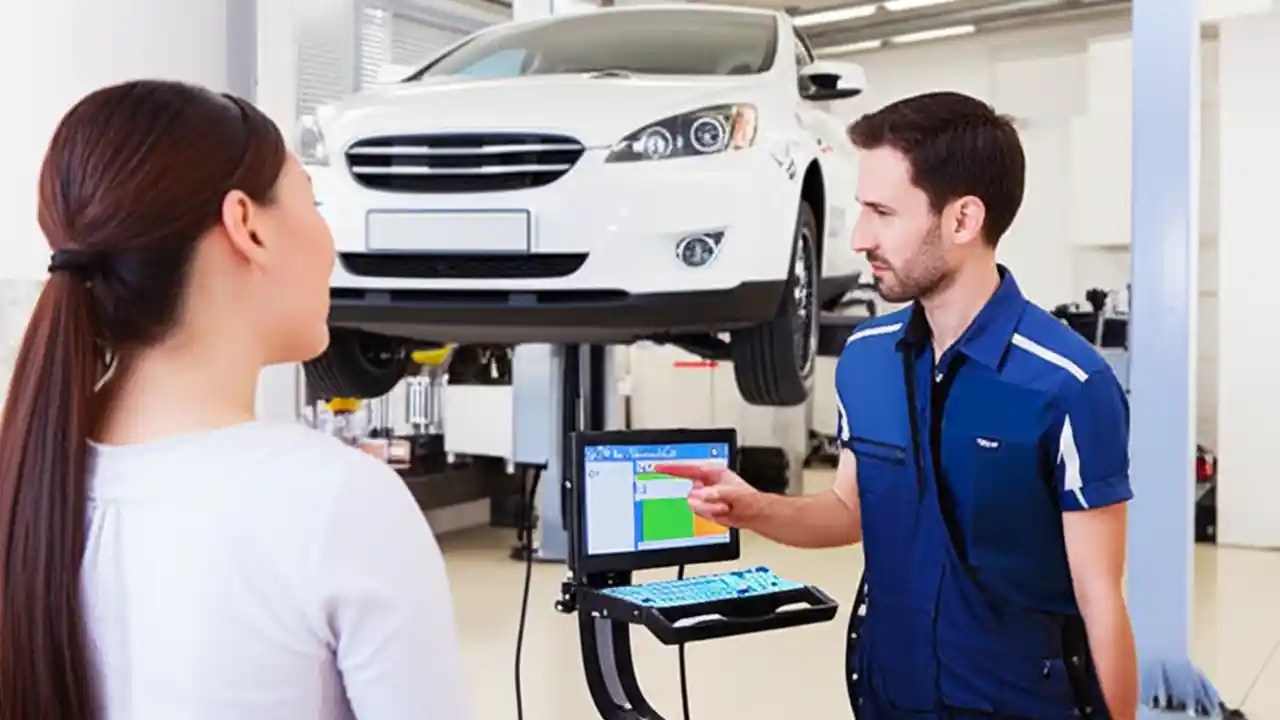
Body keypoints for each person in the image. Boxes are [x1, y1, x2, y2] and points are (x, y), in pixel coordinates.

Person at [0, 80, 470, 719]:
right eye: (313, 199)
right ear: (247, 225)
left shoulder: (27, 484)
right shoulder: (337, 502)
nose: (330, 244)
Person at [659, 92, 1138, 719]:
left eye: (882, 212)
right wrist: (756, 509)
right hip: (889, 693)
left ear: (962, 220)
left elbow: (1100, 599)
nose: (859, 238)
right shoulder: (866, 359)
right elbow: (848, 511)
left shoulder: (1069, 386)